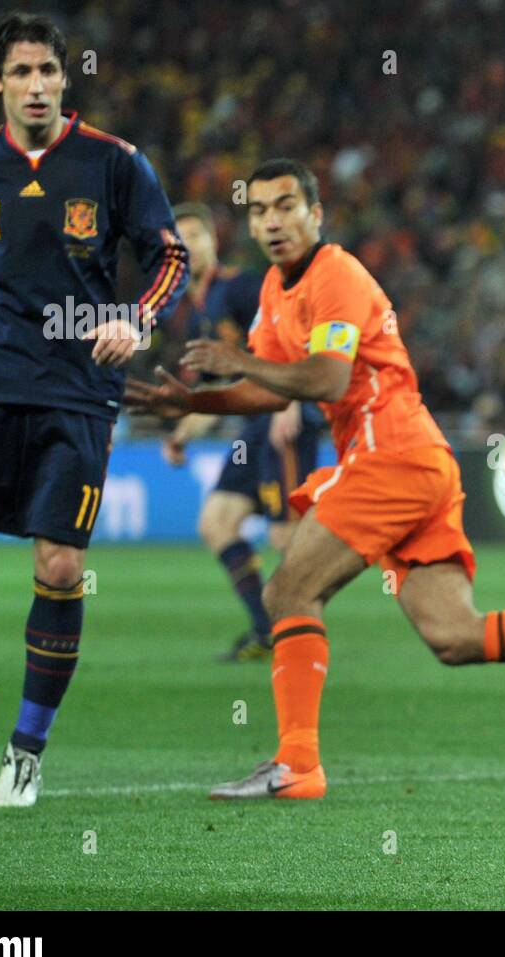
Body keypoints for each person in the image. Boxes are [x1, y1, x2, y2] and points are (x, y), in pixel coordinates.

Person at [126, 158, 505, 800]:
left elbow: (327, 380)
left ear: (315, 214)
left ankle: (298, 764)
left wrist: (235, 360)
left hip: (388, 455)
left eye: (286, 206)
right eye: (258, 211)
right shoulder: (274, 292)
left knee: (288, 592)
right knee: (454, 635)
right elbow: (269, 389)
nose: (272, 221)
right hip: (415, 460)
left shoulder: (334, 274)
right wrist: (197, 402)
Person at [0, 12, 187, 806]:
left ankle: (26, 750)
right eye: (20, 73)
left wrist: (137, 318)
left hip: (76, 395)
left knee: (59, 567)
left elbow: (170, 255)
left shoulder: (115, 164)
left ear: (66, 77)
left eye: (47, 71)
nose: (35, 86)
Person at [164, 202, 320, 661]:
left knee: (283, 537)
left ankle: (300, 637)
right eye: (179, 238)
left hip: (282, 418)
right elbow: (219, 389)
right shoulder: (195, 311)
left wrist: (290, 400)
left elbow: (289, 331)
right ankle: (266, 629)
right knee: (216, 523)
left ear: (214, 241)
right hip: (255, 424)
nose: (188, 246)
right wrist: (182, 432)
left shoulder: (240, 287)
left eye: (196, 236)